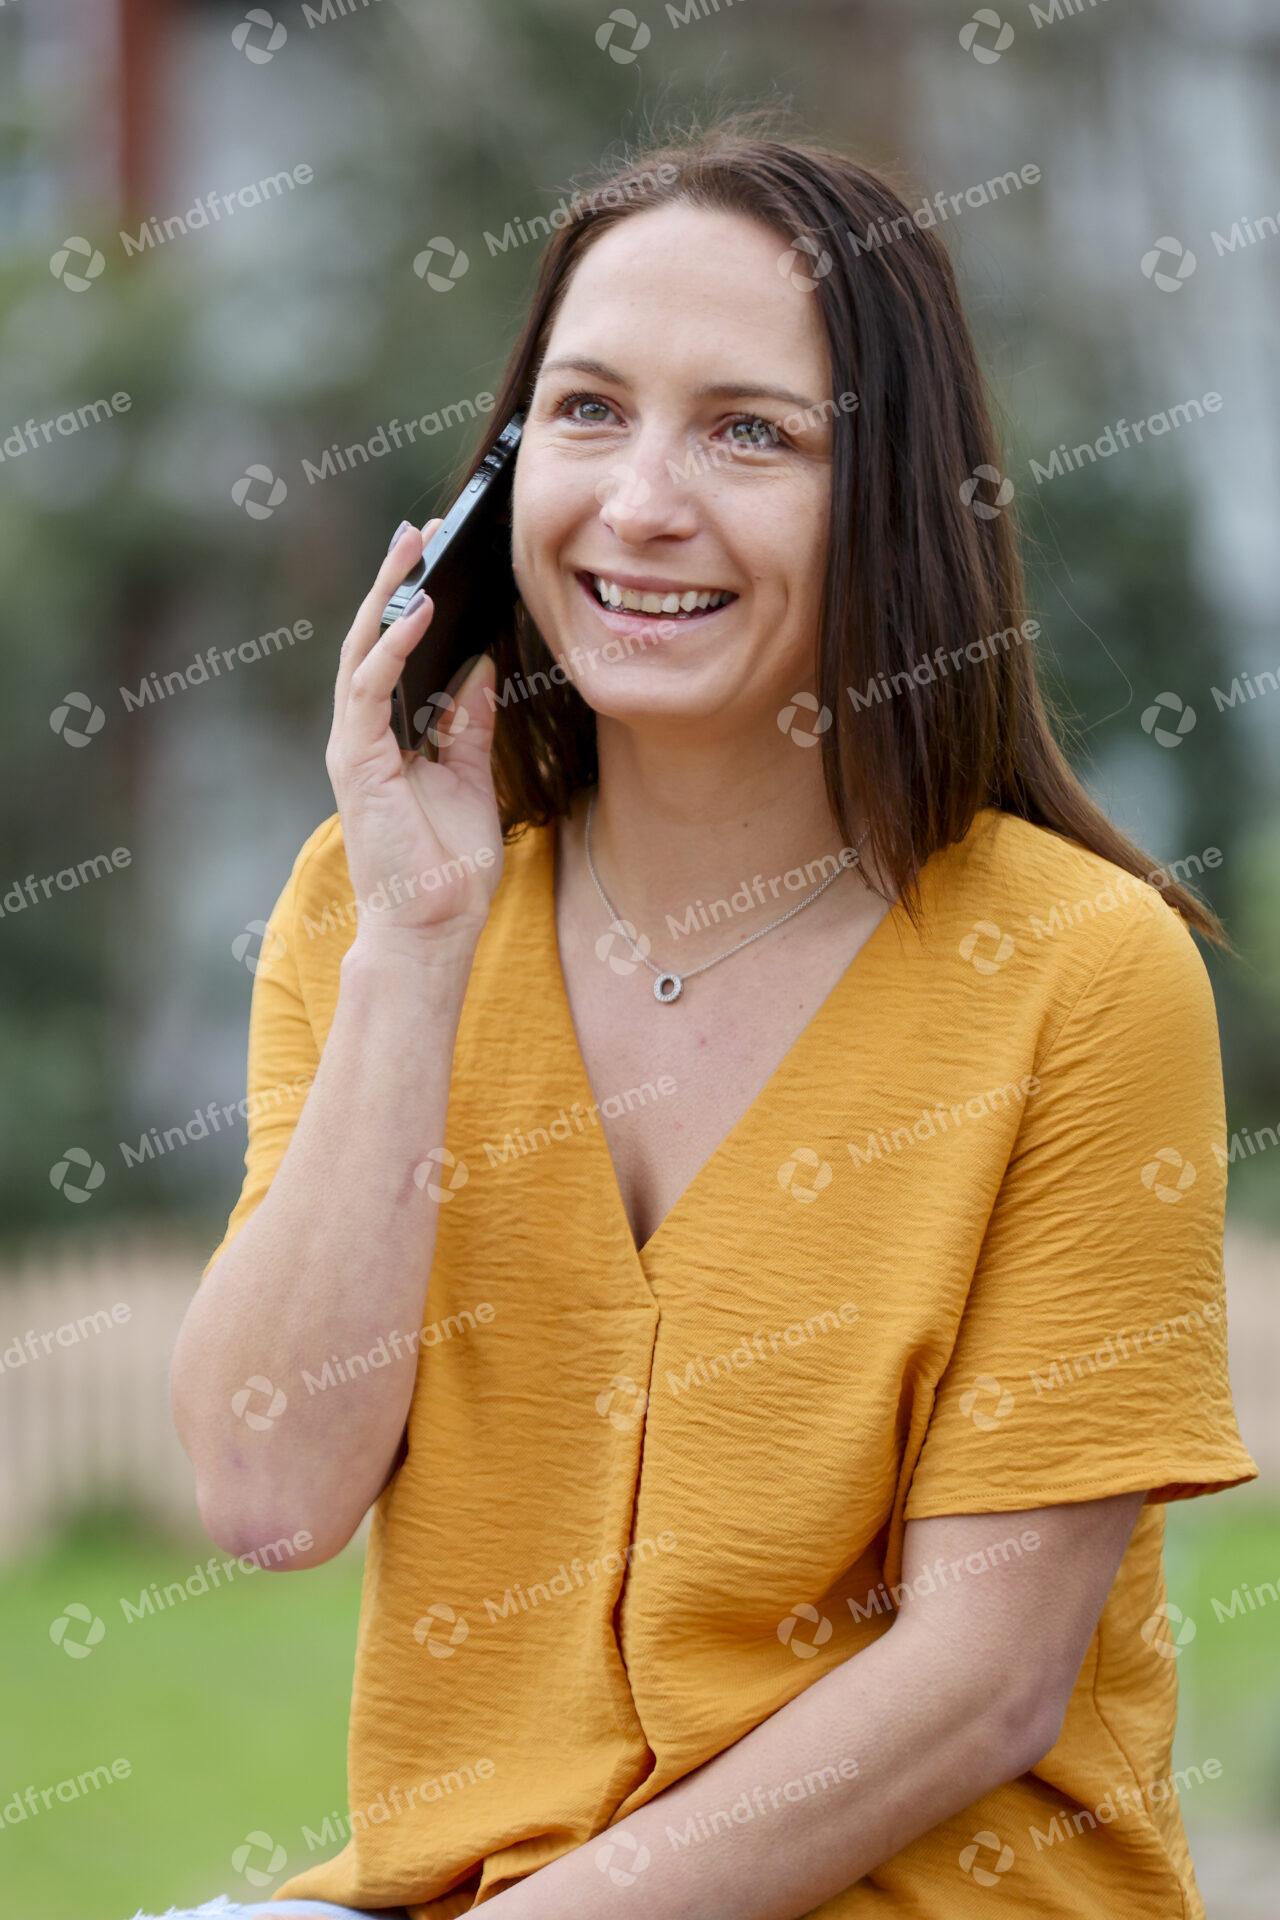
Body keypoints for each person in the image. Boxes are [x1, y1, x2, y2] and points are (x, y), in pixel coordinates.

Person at [151, 122, 1256, 1920]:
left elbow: (984, 1682)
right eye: (587, 412)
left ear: (890, 496)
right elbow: (270, 1492)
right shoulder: (374, 902)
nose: (642, 502)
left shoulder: (1078, 970)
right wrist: (419, 947)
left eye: (751, 431)